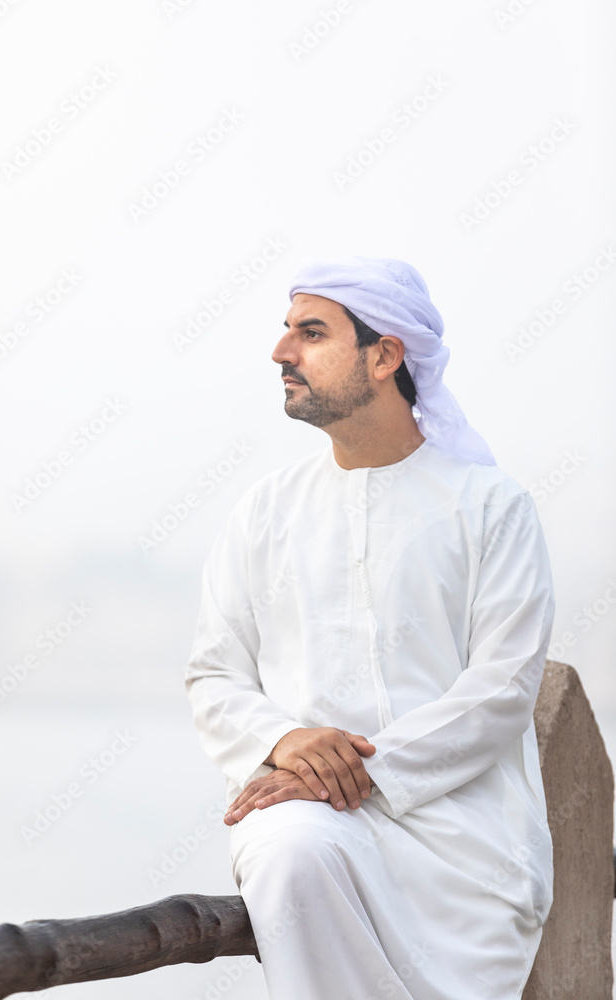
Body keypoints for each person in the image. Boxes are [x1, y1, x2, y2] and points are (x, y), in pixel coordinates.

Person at [184, 255, 555, 1000]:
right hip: (303, 817)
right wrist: (285, 743)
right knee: (291, 852)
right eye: (286, 331)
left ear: (384, 355)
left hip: (465, 840)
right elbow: (214, 673)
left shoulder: (490, 507)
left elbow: (503, 688)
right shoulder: (265, 511)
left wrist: (367, 766)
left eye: (311, 333)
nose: (280, 352)